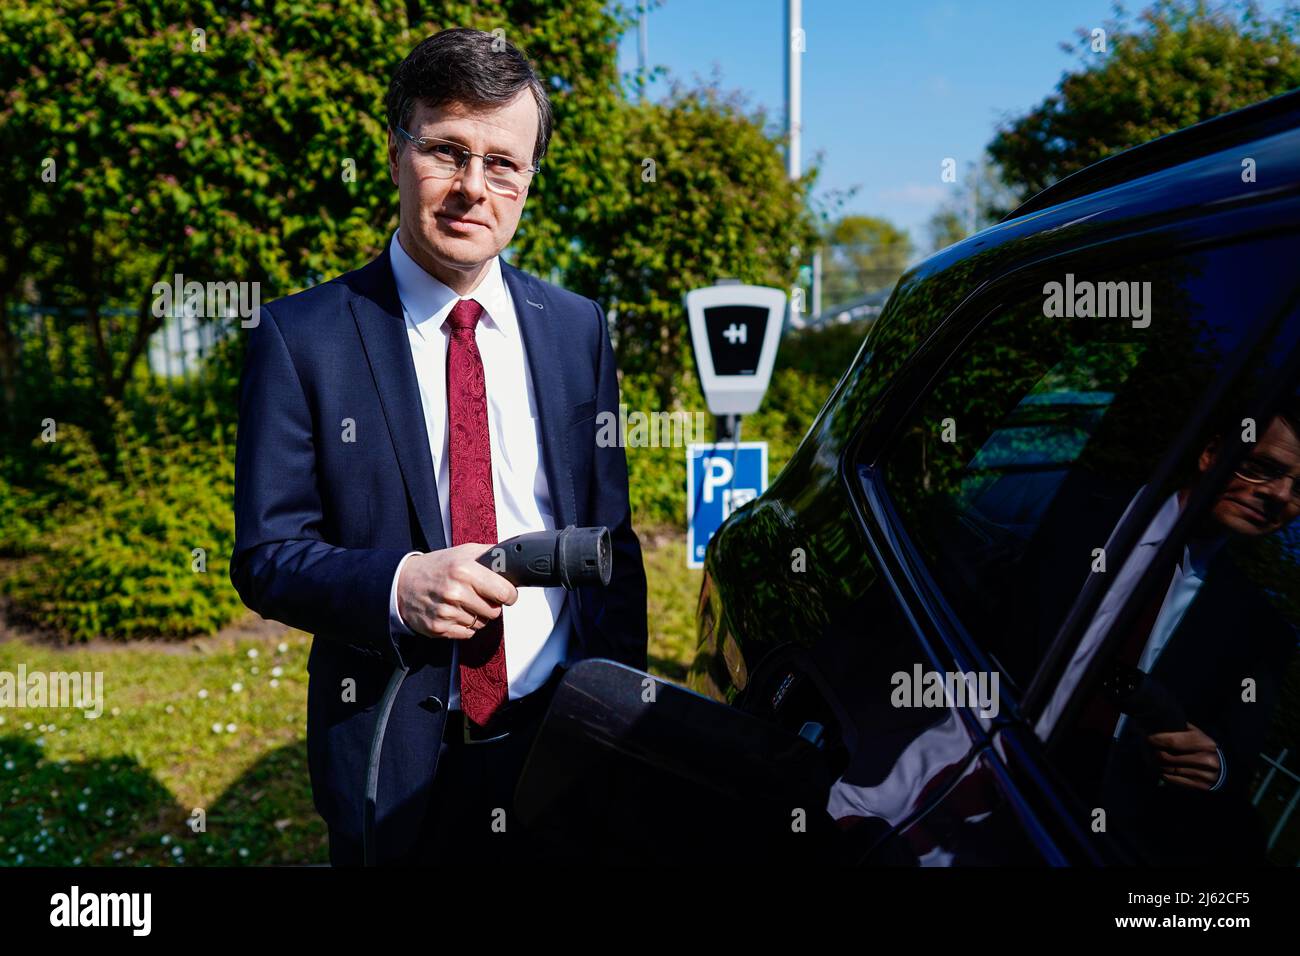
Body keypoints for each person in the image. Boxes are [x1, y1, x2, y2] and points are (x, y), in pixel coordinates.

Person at [229, 28, 648, 866]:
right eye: (447, 150)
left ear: (528, 181)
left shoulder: (576, 328)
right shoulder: (300, 336)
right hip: (398, 758)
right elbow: (266, 554)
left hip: (560, 738)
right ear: (396, 153)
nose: (472, 188)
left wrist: (616, 708)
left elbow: (613, 540)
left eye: (503, 164)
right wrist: (396, 583)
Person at [1035, 403, 1300, 862]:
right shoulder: (1063, 500)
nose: (1279, 495)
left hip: (1074, 832)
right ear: (1212, 453)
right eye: (1262, 469)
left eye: (1299, 490)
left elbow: (1236, 759)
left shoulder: (1262, 630)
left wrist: (1212, 765)